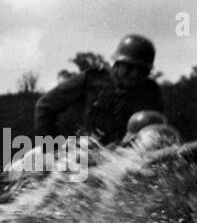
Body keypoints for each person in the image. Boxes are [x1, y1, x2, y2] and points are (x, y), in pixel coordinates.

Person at [34, 34, 165, 145]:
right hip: (86, 154)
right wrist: (52, 150)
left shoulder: (151, 92)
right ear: (117, 64)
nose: (134, 74)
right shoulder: (93, 79)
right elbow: (45, 106)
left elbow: (156, 130)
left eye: (142, 70)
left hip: (125, 159)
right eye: (129, 68)